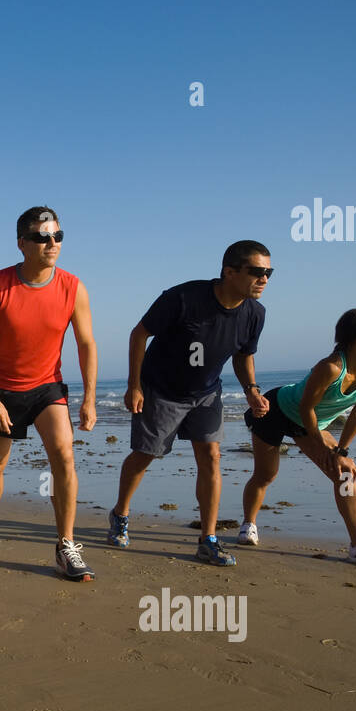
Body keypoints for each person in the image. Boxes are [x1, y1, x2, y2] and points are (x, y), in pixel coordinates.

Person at [107, 240, 270, 566]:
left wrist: (251, 389)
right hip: (161, 391)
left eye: (268, 272)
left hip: (207, 393)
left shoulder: (254, 314)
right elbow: (139, 334)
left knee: (211, 457)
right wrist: (134, 386)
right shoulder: (183, 298)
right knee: (145, 455)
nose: (264, 279)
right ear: (229, 271)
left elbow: (243, 356)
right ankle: (120, 513)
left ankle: (207, 539)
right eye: (256, 272)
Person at [0, 206, 98, 581]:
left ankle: (66, 545)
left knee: (63, 456)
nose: (51, 243)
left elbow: (86, 344)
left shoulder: (73, 287)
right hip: (3, 389)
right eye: (42, 237)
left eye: (57, 236)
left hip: (47, 388)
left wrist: (89, 397)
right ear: (22, 243)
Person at [239, 309, 356, 566]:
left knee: (344, 473)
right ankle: (248, 524)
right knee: (266, 475)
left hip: (311, 422)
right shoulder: (331, 367)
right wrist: (324, 448)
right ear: (348, 337)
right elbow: (305, 409)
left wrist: (341, 451)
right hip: (278, 410)